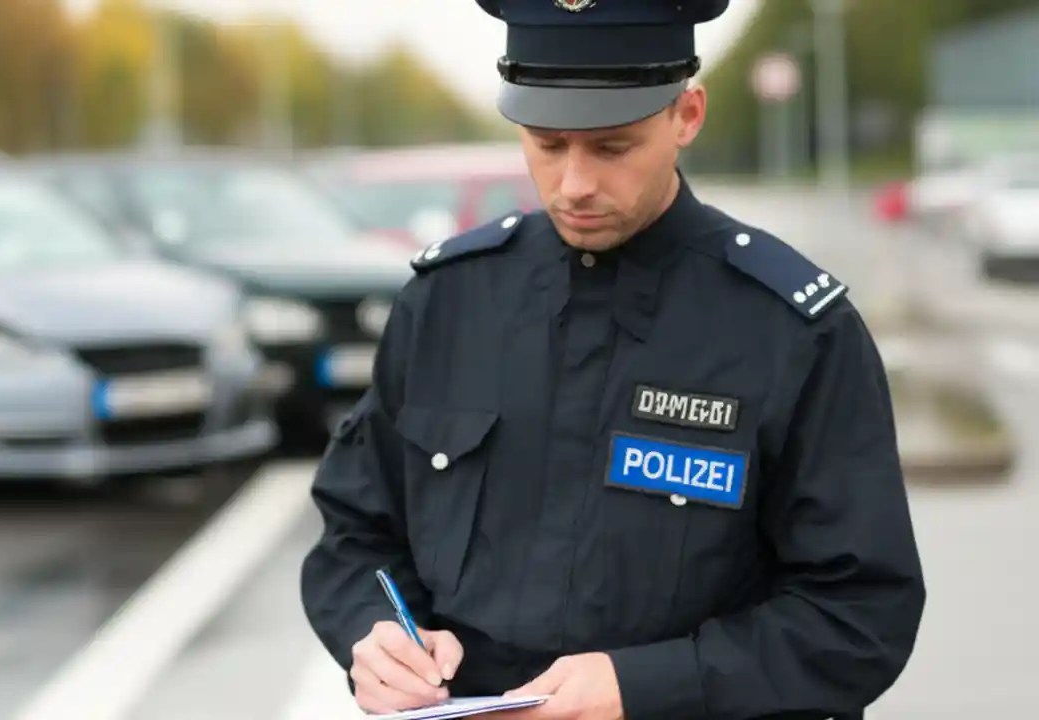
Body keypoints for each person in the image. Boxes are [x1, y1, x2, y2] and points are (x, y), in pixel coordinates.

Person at [300, 1, 926, 718]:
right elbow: (355, 532)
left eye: (612, 147)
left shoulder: (792, 331)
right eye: (546, 143)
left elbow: (859, 614)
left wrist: (648, 686)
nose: (574, 184)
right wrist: (373, 635)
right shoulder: (448, 303)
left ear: (686, 115)